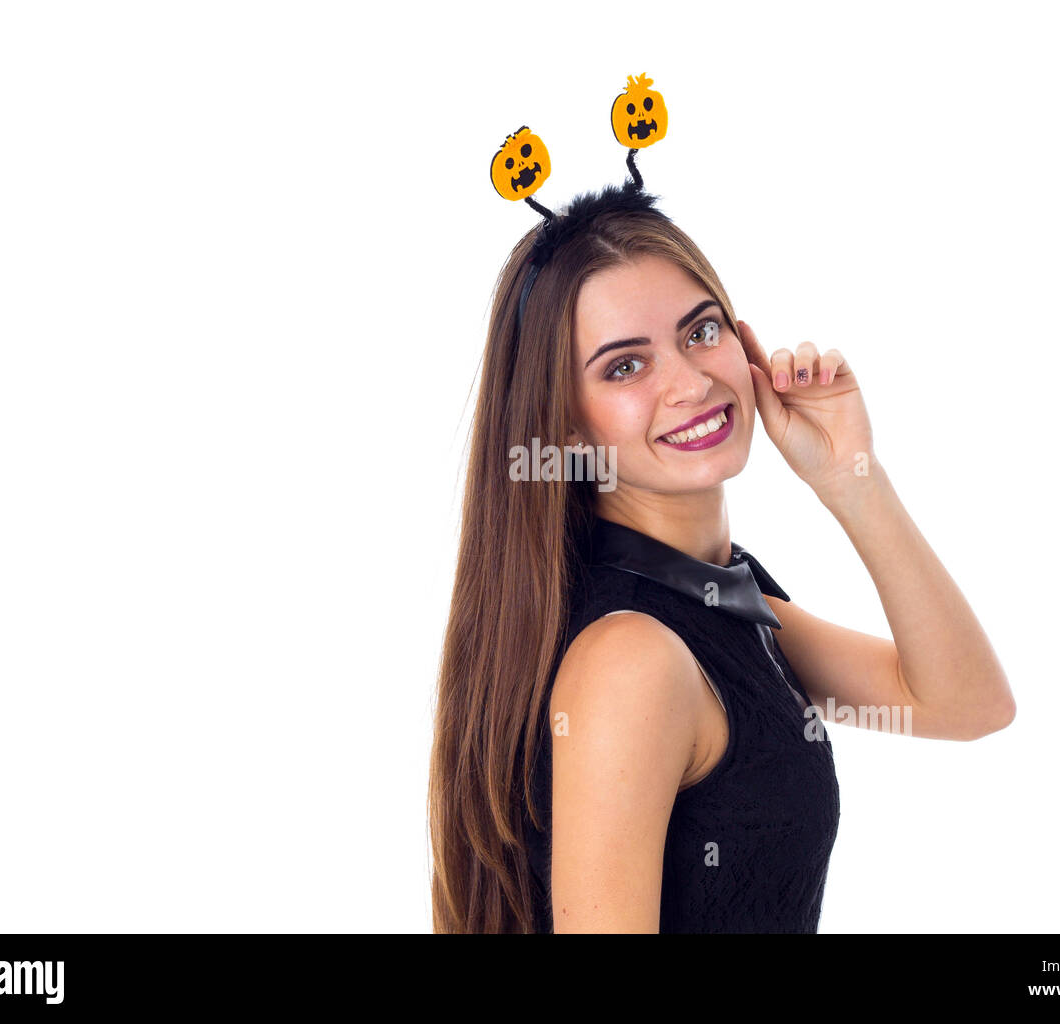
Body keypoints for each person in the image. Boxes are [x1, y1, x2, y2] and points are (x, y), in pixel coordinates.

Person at [428, 186, 1016, 934]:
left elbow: (966, 704)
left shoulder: (714, 598)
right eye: (624, 367)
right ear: (566, 431)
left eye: (700, 331)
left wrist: (850, 479)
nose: (689, 381)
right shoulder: (633, 657)